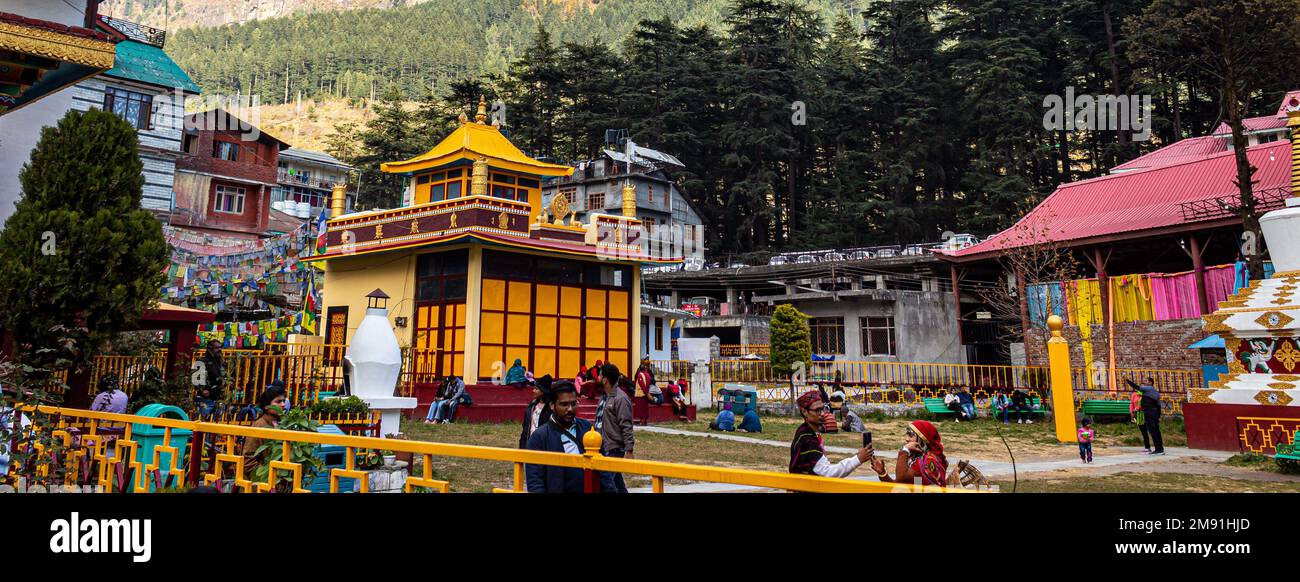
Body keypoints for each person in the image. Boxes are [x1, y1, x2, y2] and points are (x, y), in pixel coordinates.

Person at [525, 380, 594, 493]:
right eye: (564, 404)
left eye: (573, 403)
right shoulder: (540, 437)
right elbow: (535, 481)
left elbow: (604, 471)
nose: (570, 409)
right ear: (552, 405)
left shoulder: (587, 428)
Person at [789, 391, 873, 478]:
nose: (822, 414)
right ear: (804, 412)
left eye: (822, 409)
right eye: (817, 410)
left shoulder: (810, 433)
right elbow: (828, 473)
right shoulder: (807, 438)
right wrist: (858, 459)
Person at [871, 420, 948, 487]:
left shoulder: (928, 460)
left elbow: (901, 478)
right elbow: (900, 485)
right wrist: (883, 473)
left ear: (922, 439)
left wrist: (904, 451)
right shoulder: (917, 459)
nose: (906, 439)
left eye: (911, 435)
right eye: (907, 435)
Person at [595, 363, 634, 493]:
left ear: (605, 379)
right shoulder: (604, 397)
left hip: (614, 448)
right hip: (602, 447)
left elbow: (626, 425)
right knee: (616, 482)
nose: (597, 377)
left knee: (605, 483)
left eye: (600, 374)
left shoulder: (621, 399)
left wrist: (629, 450)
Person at [241, 385, 287, 470]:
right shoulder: (260, 426)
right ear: (266, 406)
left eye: (284, 401)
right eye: (278, 402)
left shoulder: (282, 423)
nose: (283, 405)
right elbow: (248, 460)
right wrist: (266, 476)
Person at [1128, 378, 1164, 455]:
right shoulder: (1155, 392)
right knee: (1156, 431)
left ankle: (1158, 450)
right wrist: (1158, 415)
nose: (1144, 382)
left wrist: (1127, 380)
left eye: (1146, 381)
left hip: (1149, 412)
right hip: (1154, 413)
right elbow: (1158, 405)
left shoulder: (1148, 389)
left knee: (1152, 431)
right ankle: (1160, 448)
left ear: (1150, 383)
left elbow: (1136, 386)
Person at [519, 375, 553, 449]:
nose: (533, 391)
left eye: (536, 389)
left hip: (544, 447)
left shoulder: (551, 408)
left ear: (543, 391)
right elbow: (525, 428)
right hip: (530, 443)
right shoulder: (532, 406)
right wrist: (522, 446)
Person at [197, 340, 225, 415]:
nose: (219, 350)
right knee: (203, 420)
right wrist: (203, 390)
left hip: (218, 397)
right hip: (206, 399)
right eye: (216, 348)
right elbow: (196, 378)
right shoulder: (202, 361)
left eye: (220, 347)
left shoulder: (221, 362)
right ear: (209, 349)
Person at [1130, 386, 1150, 452]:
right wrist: (1131, 412)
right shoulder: (1135, 394)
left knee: (1151, 431)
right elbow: (1132, 404)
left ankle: (1158, 446)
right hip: (1139, 415)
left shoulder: (1146, 394)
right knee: (1143, 431)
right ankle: (1147, 447)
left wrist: (1139, 408)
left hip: (1146, 414)